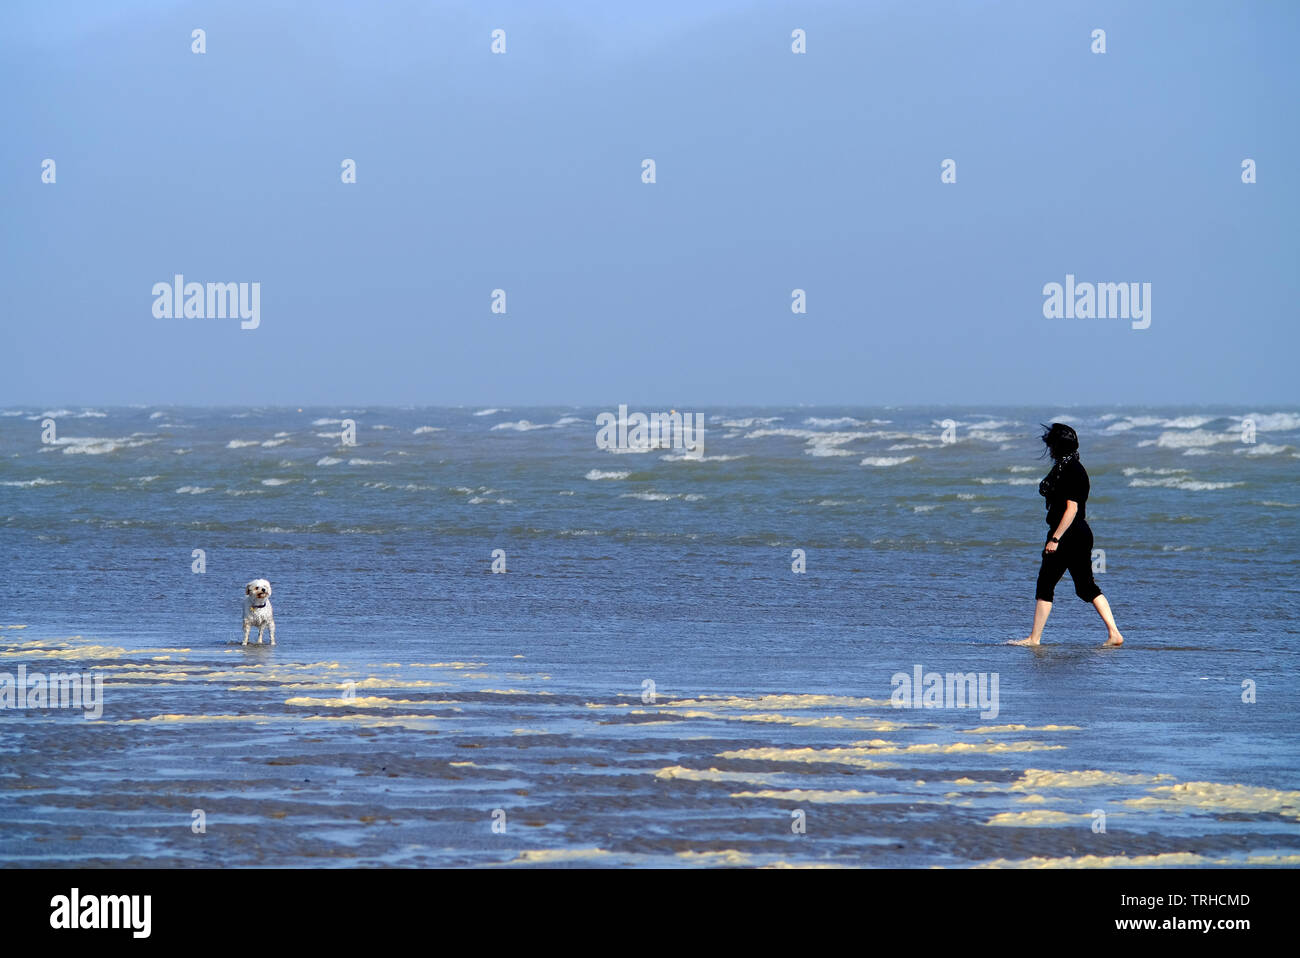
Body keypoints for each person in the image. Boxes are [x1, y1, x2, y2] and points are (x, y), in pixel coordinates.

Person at [1008, 423, 1124, 647]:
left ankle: (1034, 639)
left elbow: (1072, 509)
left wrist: (1055, 539)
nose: (1049, 449)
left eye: (1051, 445)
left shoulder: (1072, 471)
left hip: (1067, 534)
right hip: (1077, 534)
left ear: (1058, 447)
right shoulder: (1066, 466)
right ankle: (1114, 633)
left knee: (1046, 585)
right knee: (1085, 587)